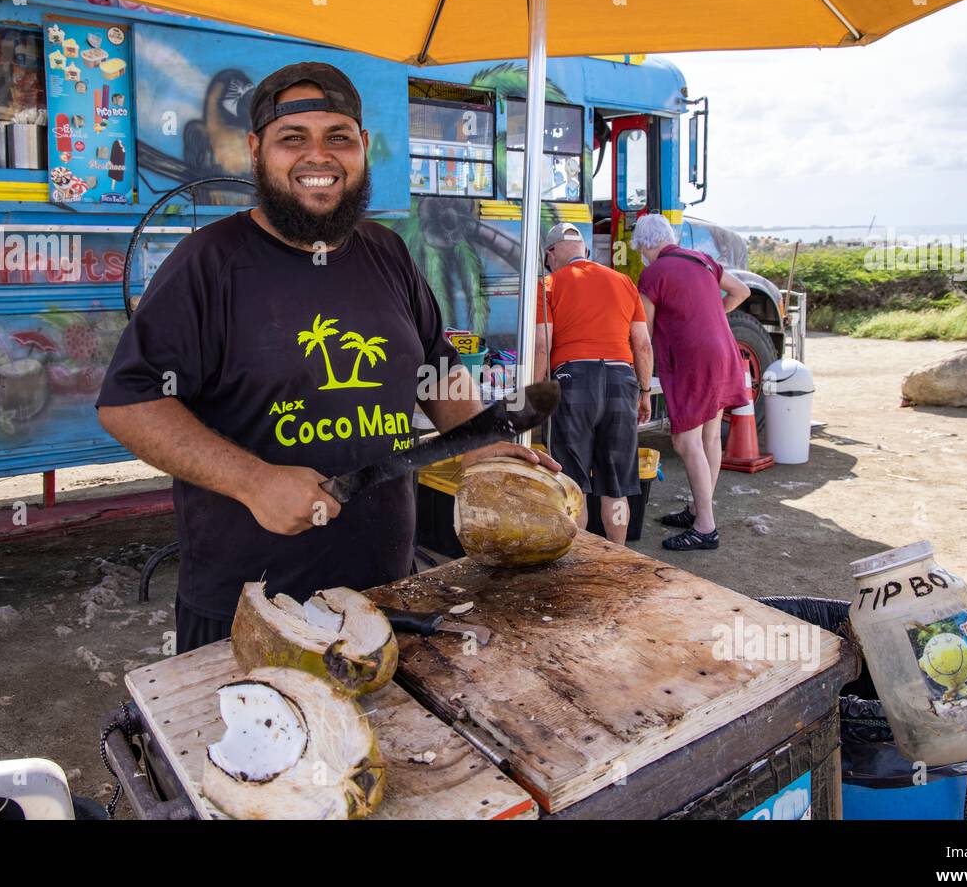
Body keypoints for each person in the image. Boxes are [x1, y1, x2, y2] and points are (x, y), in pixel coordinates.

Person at [96, 62, 557, 652]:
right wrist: (254, 481)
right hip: (255, 609)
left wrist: (479, 445)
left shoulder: (387, 252)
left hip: (387, 590)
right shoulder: (207, 262)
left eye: (338, 137)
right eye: (294, 139)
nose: (319, 157)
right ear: (256, 149)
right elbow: (129, 401)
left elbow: (434, 366)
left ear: (363, 147)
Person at [631, 213, 751, 551]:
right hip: (724, 351)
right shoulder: (703, 260)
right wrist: (709, 315)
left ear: (645, 245)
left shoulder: (653, 274)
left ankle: (705, 527)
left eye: (640, 247)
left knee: (686, 441)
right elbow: (740, 291)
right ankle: (701, 508)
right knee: (710, 436)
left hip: (693, 361)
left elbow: (646, 332)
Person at [533, 222, 654, 544]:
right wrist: (644, 392)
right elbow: (642, 344)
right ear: (584, 251)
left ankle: (578, 562)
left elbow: (542, 345)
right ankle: (618, 555)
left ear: (552, 253)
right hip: (621, 381)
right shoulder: (624, 282)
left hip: (574, 383)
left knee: (573, 486)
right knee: (616, 487)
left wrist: (533, 394)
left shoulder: (548, 284)